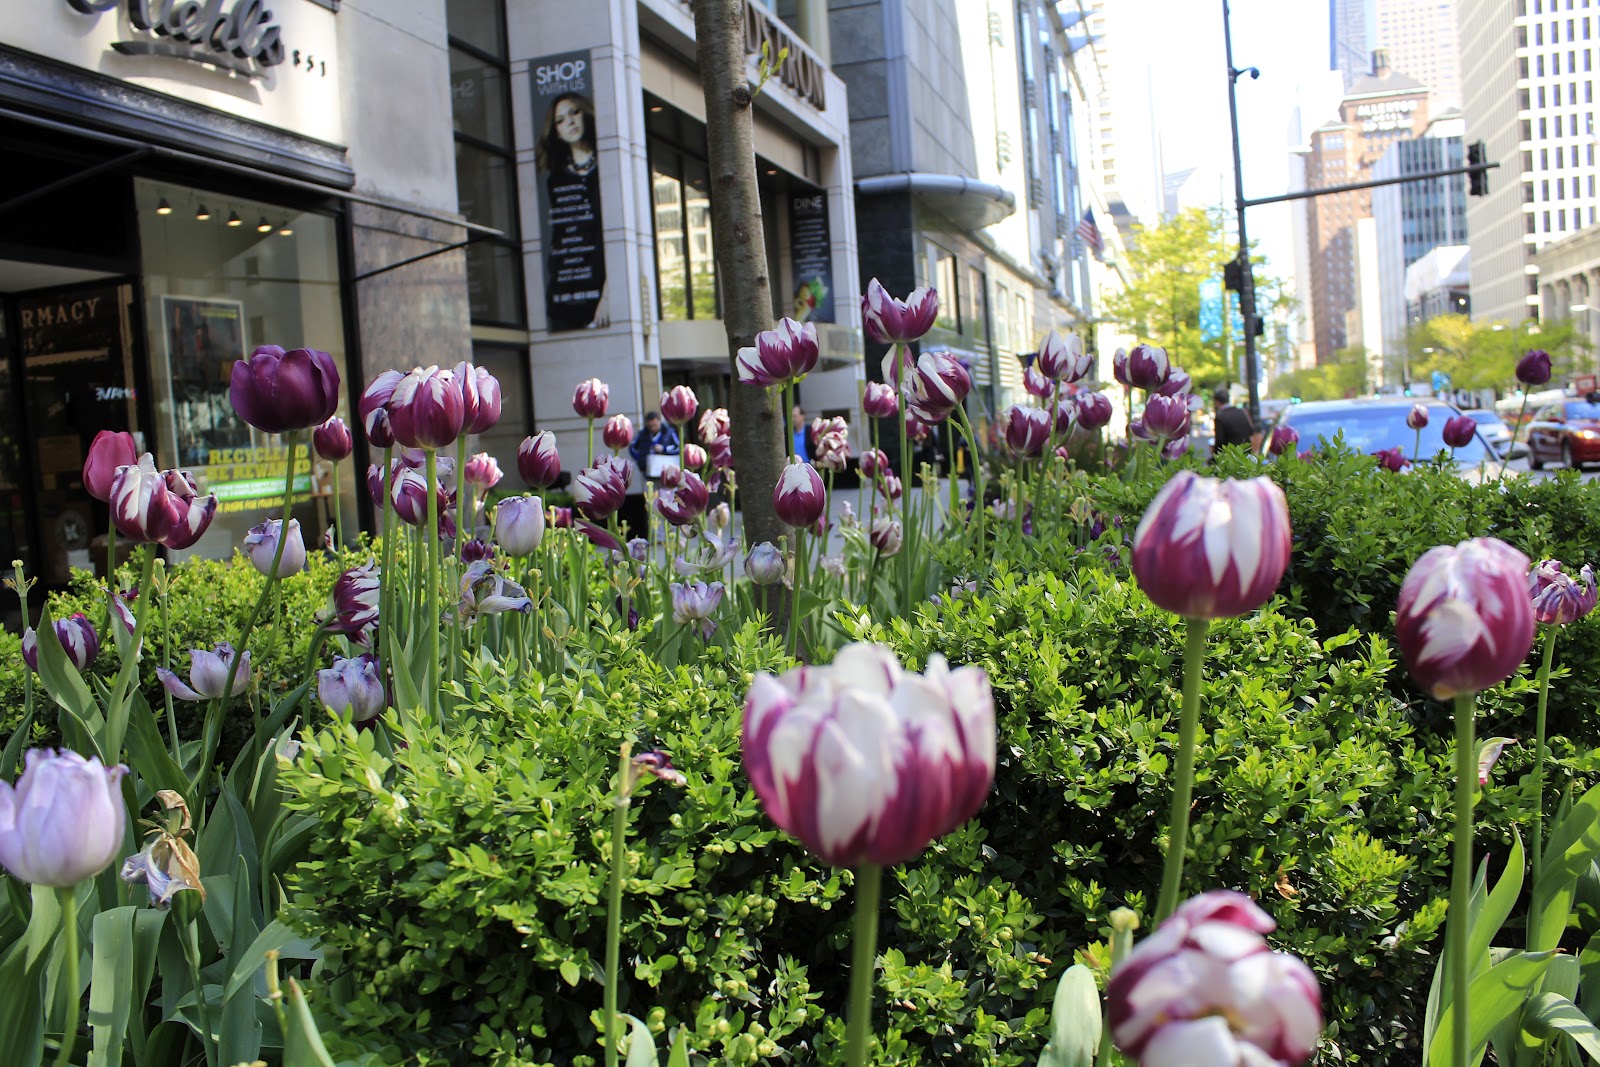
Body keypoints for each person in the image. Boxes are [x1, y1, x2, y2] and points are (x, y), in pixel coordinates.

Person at [538, 92, 608, 330]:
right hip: (564, 292)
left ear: (585, 115)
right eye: (560, 119)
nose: (569, 122)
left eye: (574, 112)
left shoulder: (607, 166)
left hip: (601, 285)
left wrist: (607, 297)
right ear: (555, 130)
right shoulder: (555, 178)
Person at [628, 412, 681, 480]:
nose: (653, 428)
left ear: (659, 421)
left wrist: (664, 449)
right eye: (650, 426)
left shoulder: (669, 433)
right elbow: (632, 447)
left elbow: (679, 448)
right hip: (648, 471)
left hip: (668, 472)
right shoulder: (642, 434)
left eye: (655, 425)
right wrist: (641, 458)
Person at [1212, 385, 1259, 455]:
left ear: (1217, 402)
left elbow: (1219, 441)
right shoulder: (1241, 412)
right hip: (1246, 453)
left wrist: (1215, 456)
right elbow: (1250, 431)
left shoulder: (1220, 417)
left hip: (1230, 456)